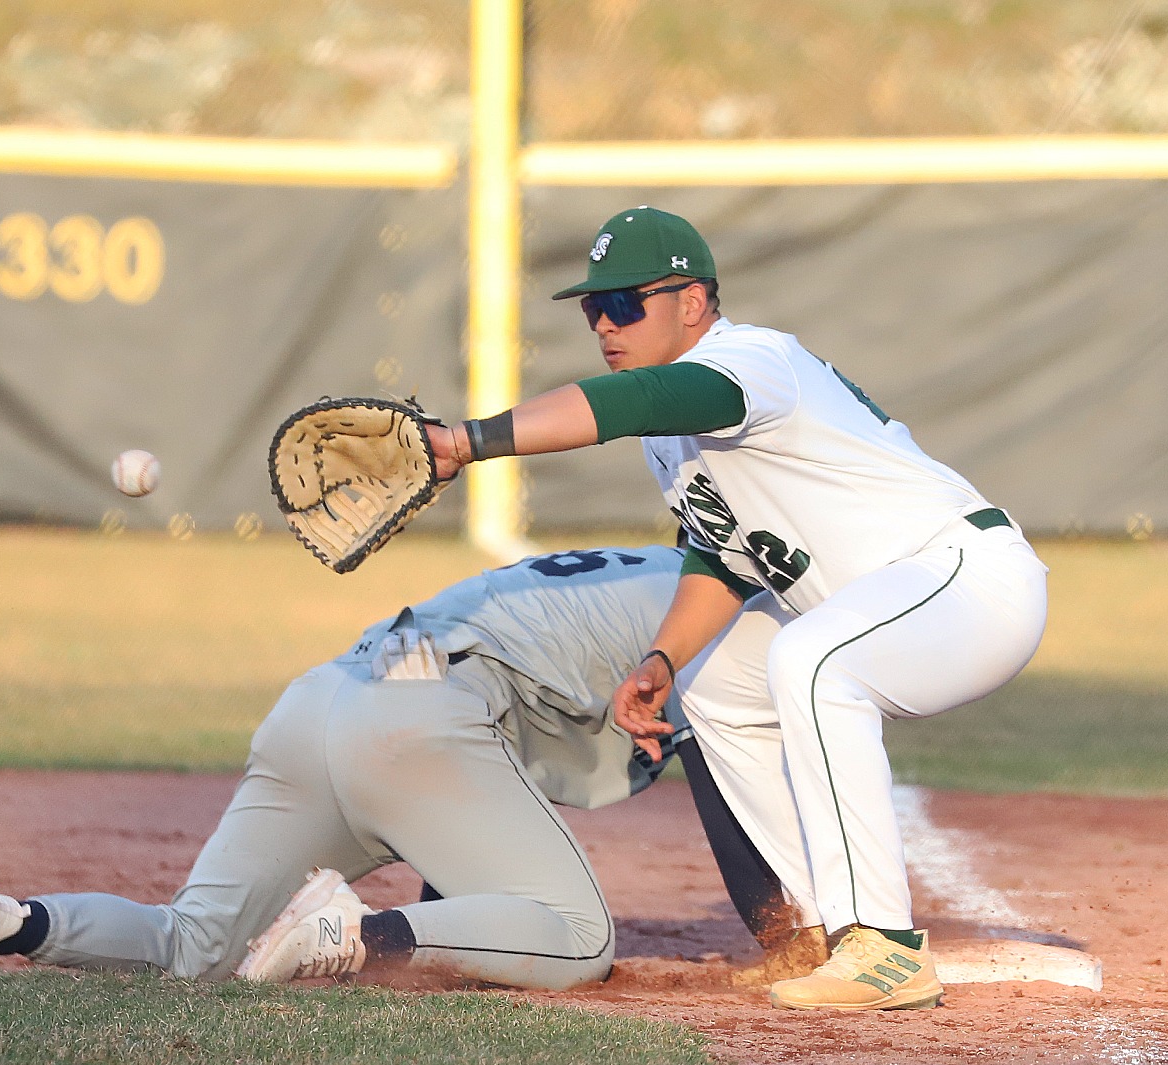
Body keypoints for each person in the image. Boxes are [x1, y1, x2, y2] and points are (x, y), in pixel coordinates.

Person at [423, 206, 1049, 1012]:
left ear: (692, 301)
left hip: (969, 581)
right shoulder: (672, 440)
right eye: (592, 310)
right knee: (716, 684)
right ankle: (824, 928)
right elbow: (723, 557)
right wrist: (662, 659)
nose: (605, 324)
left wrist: (469, 441)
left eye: (624, 303)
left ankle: (885, 946)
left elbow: (635, 398)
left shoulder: (755, 362)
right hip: (892, 598)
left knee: (812, 659)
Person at [0, 545, 780, 991]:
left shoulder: (637, 573)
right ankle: (353, 933)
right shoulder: (737, 609)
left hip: (325, 697)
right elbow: (732, 783)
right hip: (421, 713)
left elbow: (466, 808)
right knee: (582, 940)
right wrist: (784, 929)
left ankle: (3, 924)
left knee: (194, 947)